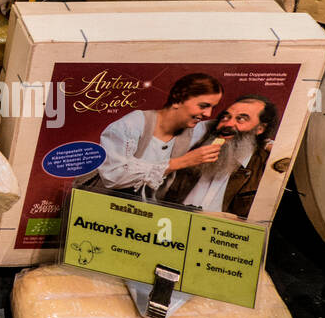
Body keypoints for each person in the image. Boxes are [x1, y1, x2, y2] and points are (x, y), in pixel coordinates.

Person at [95, 73, 224, 201]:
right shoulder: (132, 124)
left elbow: (228, 123)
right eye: (203, 106)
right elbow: (113, 176)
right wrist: (182, 162)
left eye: (213, 107)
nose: (208, 113)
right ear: (178, 99)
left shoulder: (196, 130)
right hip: (102, 205)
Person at [160, 96, 279, 217]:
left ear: (260, 129)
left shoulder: (268, 166)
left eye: (241, 119)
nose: (228, 124)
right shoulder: (193, 149)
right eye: (225, 117)